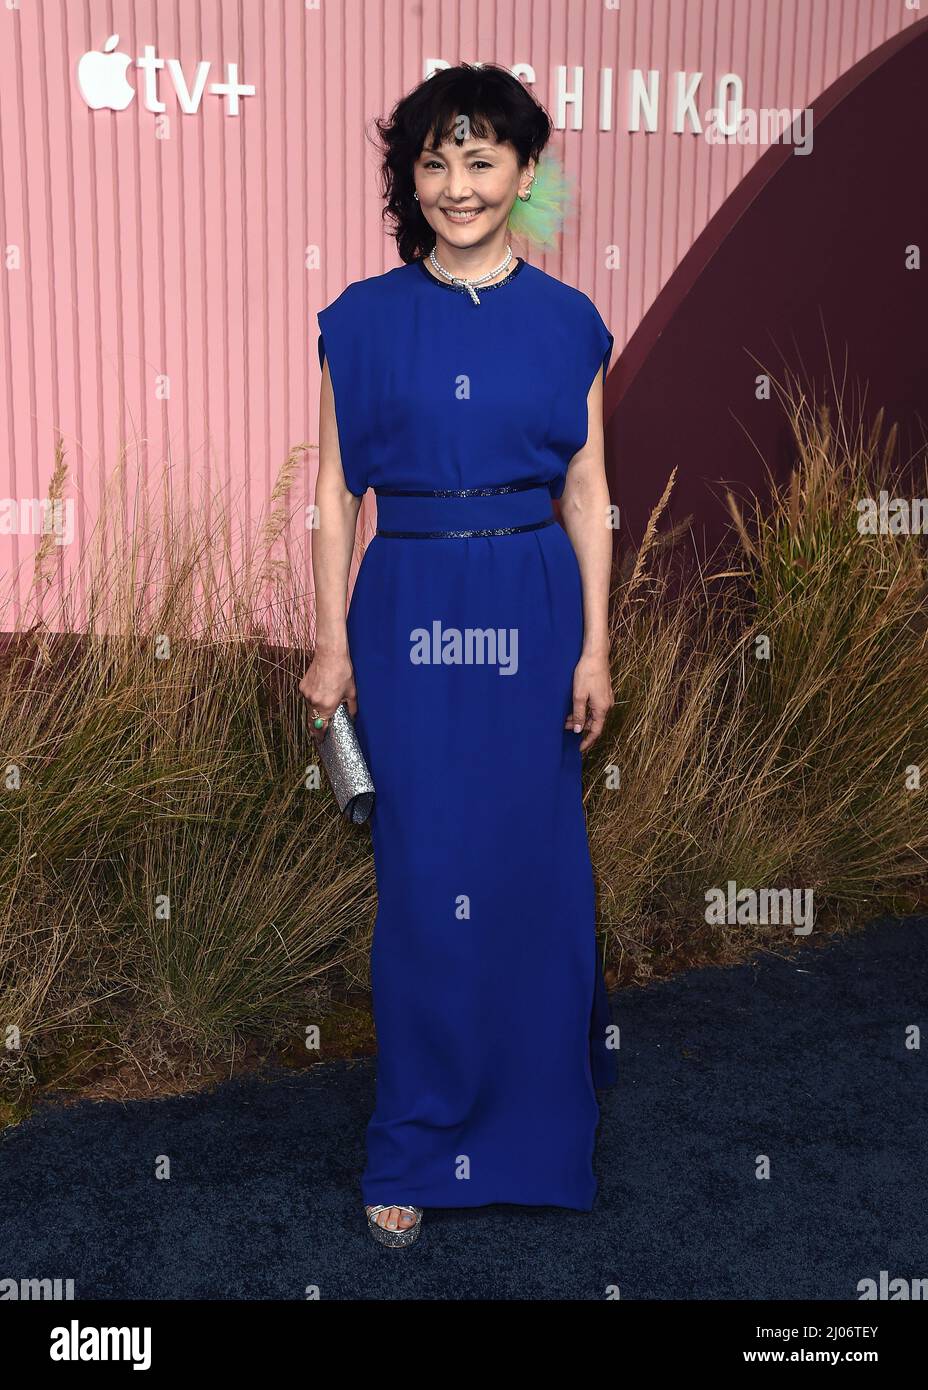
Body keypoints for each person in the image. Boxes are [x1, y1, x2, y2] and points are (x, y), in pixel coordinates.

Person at [300, 63, 618, 1249]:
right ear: (409, 178)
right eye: (434, 161)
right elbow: (335, 499)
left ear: (525, 174)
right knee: (425, 890)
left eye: (481, 160)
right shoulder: (360, 318)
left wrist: (597, 643)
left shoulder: (571, 322)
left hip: (535, 610)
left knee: (535, 881)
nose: (456, 184)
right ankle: (418, 1141)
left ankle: (536, 1129)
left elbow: (589, 493)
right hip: (410, 611)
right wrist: (329, 641)